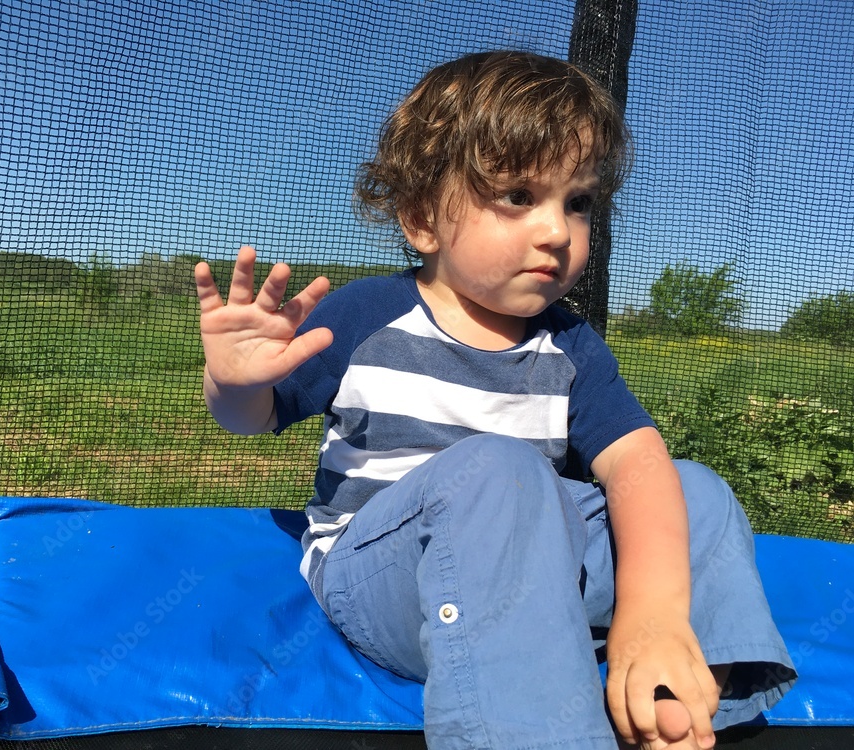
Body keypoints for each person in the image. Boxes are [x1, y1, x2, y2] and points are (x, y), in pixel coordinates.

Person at [194, 51, 796, 750]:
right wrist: (236, 383)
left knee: (690, 489)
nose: (556, 231)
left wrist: (651, 609)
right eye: (518, 196)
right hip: (390, 579)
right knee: (500, 471)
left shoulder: (569, 346)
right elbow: (252, 417)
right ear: (422, 218)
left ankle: (673, 693)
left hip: (534, 585)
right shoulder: (367, 317)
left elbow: (635, 458)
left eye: (578, 203)